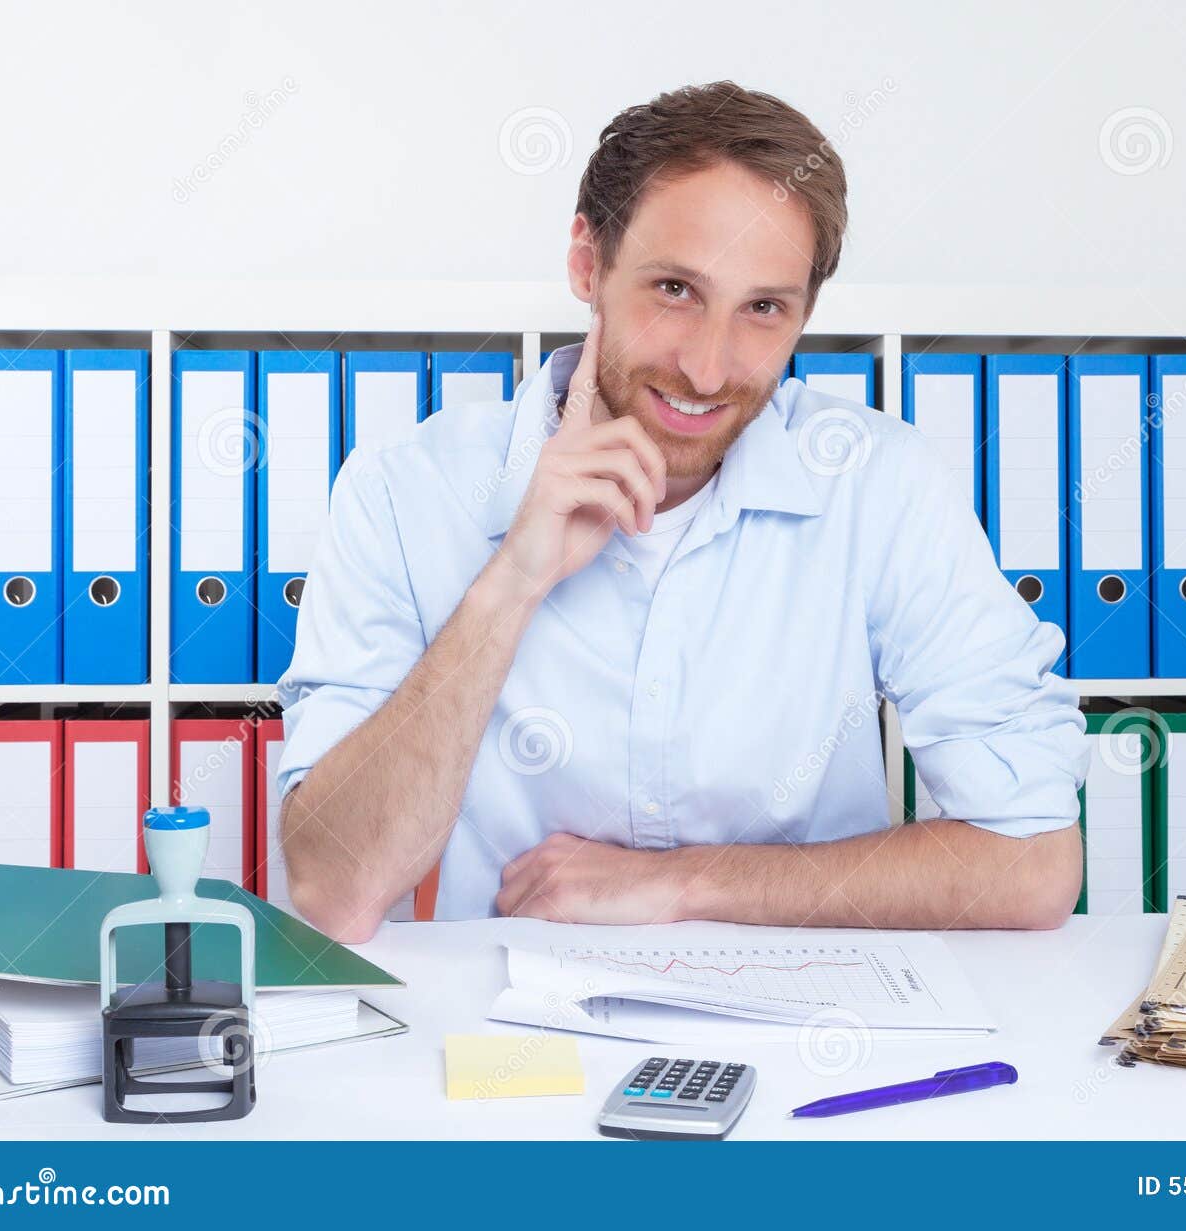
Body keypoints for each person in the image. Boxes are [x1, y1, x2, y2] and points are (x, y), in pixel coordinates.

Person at [277, 81, 1088, 941]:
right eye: (675, 289)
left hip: (816, 1032)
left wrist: (686, 883)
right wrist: (512, 581)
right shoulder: (403, 491)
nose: (708, 368)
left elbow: (1033, 865)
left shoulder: (880, 483)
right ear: (588, 265)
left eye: (763, 309)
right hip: (518, 1048)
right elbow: (336, 891)